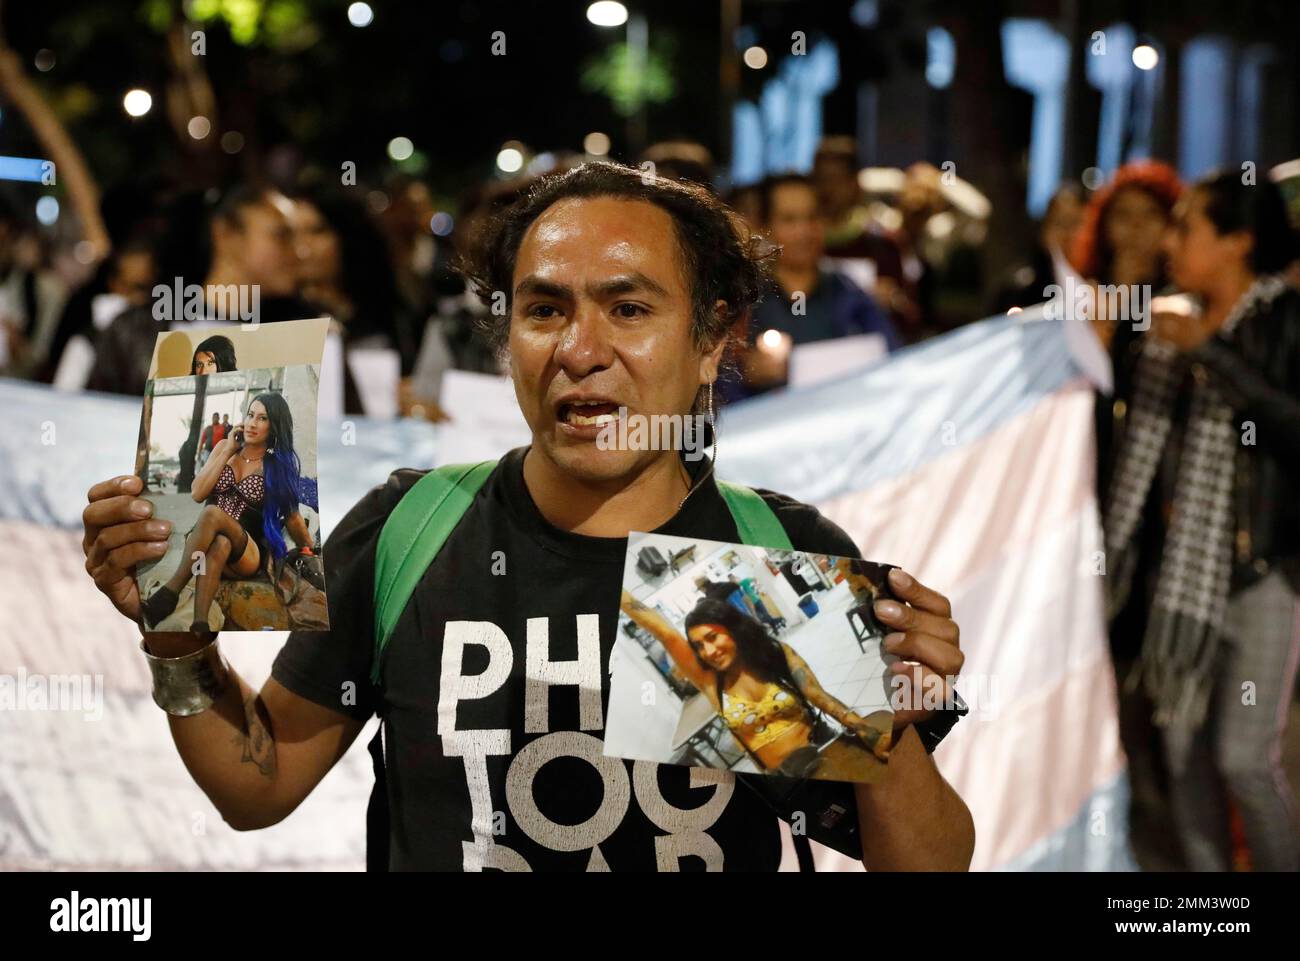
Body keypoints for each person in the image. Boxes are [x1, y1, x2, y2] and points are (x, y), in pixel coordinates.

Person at [82, 161, 973, 872]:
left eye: (629, 308)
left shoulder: (774, 560)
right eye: (545, 309)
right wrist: (178, 638)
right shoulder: (410, 531)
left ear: (712, 341)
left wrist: (884, 722)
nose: (581, 351)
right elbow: (258, 787)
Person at [1103, 170, 1300, 872]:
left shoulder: (1284, 320)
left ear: (1239, 241)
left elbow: (1288, 425)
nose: (1169, 241)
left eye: (1188, 228)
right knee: (1181, 759)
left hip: (1261, 572)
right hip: (1175, 580)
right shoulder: (1160, 321)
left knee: (1246, 760)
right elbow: (1119, 443)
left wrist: (1207, 352)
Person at [620, 587, 893, 780]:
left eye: (713, 637)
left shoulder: (775, 654)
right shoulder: (709, 682)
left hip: (824, 753)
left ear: (732, 629)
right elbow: (665, 633)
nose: (708, 651)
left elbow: (818, 695)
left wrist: (867, 733)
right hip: (784, 780)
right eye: (699, 646)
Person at [87, 184, 314, 397]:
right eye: (281, 235)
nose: (301, 251)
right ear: (225, 233)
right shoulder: (134, 333)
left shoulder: (306, 343)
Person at [139, 392, 314, 632]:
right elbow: (198, 493)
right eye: (250, 415)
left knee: (212, 513)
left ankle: (170, 591)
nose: (252, 423)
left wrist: (309, 550)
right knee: (219, 541)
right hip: (206, 543)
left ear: (274, 427)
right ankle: (200, 625)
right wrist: (228, 449)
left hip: (247, 551)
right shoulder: (224, 447)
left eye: (262, 419)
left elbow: (292, 516)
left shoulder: (276, 466)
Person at [737, 173, 900, 399]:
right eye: (789, 220)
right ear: (765, 227)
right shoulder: (745, 299)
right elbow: (714, 378)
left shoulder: (848, 293)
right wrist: (748, 373)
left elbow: (891, 357)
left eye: (812, 217)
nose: (804, 232)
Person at [990, 184, 1084, 314]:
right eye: (1060, 224)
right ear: (1044, 229)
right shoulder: (1020, 287)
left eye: (1075, 224)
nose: (1068, 235)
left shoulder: (1097, 284)